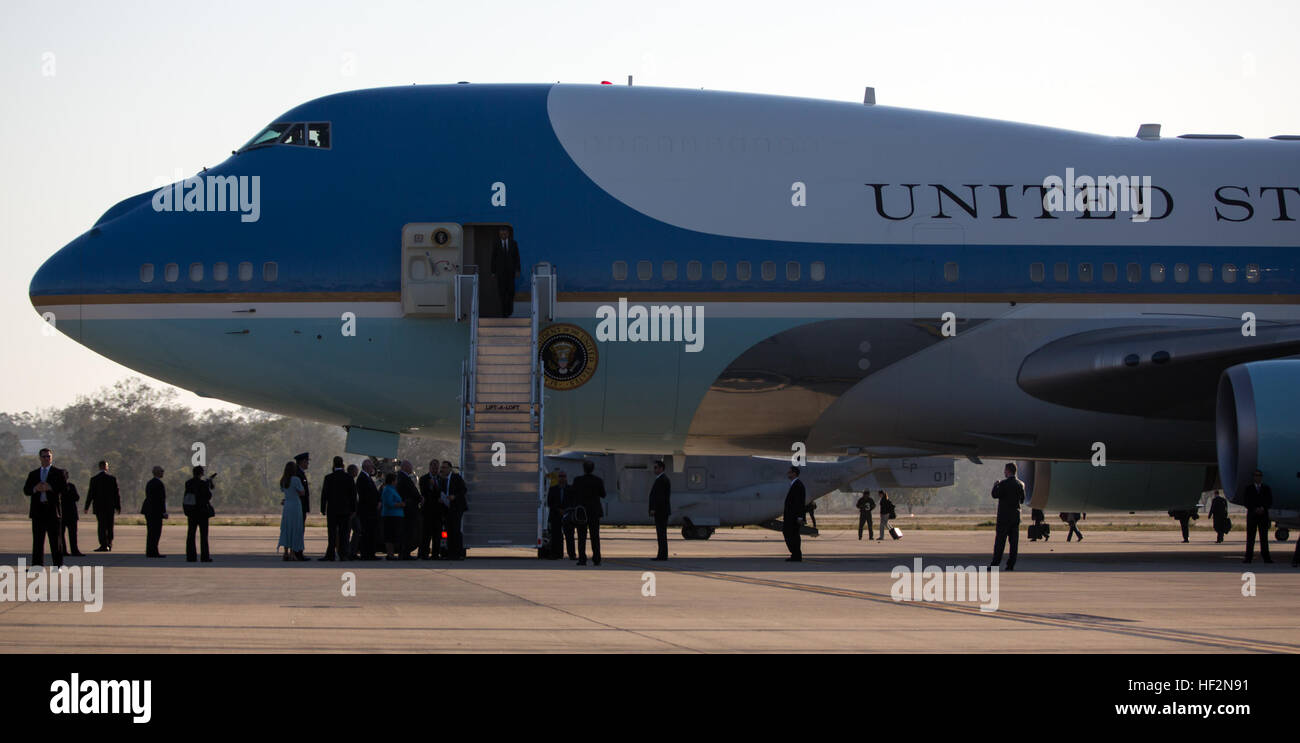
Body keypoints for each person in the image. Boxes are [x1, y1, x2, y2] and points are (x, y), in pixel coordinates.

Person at [22, 448, 66, 567]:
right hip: (38, 512)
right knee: (37, 541)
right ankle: (37, 566)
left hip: (52, 511)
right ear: (40, 458)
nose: (47, 458)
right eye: (44, 456)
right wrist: (35, 489)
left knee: (55, 541)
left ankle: (58, 565)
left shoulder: (58, 472)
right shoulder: (33, 474)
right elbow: (26, 490)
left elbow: (64, 489)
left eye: (49, 456)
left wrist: (50, 487)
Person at [320, 456, 356, 560]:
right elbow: (353, 495)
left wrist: (323, 508)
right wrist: (353, 509)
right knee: (344, 533)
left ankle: (330, 554)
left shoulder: (329, 478)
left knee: (332, 533)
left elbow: (324, 495)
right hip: (345, 510)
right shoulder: (348, 478)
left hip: (332, 510)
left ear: (333, 464)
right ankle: (343, 554)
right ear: (343, 465)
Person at [990, 463, 1025, 571]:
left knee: (1000, 542)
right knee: (1014, 543)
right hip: (1015, 517)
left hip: (1004, 517)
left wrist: (995, 485)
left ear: (1008, 471)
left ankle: (995, 564)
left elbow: (995, 495)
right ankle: (1011, 565)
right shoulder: (1020, 484)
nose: (1004, 472)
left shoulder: (1004, 484)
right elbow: (1022, 500)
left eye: (1005, 470)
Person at [573, 459, 607, 566]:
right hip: (594, 511)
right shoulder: (598, 480)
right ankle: (597, 558)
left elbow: (573, 493)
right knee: (595, 536)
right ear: (593, 469)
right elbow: (603, 494)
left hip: (582, 512)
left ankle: (582, 559)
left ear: (584, 469)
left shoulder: (578, 480)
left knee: (581, 536)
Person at [84, 460, 121, 552]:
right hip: (110, 506)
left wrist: (86, 506)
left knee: (101, 526)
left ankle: (103, 545)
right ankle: (109, 543)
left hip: (99, 507)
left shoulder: (94, 479)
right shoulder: (112, 479)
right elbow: (116, 494)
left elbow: (90, 494)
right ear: (106, 467)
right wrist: (118, 506)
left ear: (99, 467)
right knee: (109, 525)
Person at [183, 465, 215, 563]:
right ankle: (204, 557)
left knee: (191, 535)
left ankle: (191, 557)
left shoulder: (188, 483)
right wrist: (208, 483)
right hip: (202, 513)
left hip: (192, 512)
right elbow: (209, 496)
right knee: (204, 536)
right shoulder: (203, 484)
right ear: (201, 473)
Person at [490, 226, 520, 317]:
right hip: (500, 273)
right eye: (501, 233)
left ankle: (510, 310)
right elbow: (493, 258)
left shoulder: (513, 243)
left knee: (511, 292)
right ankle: (504, 313)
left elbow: (517, 258)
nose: (503, 235)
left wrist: (517, 270)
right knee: (502, 293)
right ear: (499, 234)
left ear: (508, 234)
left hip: (511, 273)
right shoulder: (496, 243)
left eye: (505, 233)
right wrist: (493, 271)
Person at [1243, 469, 1273, 564]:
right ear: (1253, 477)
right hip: (1252, 516)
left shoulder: (1266, 488)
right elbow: (1246, 501)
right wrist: (1255, 509)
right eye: (1256, 475)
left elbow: (1269, 501)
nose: (1258, 477)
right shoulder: (1249, 489)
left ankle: (1266, 557)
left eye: (1259, 475)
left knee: (1264, 538)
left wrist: (1263, 508)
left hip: (1263, 516)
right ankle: (1248, 557)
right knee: (1250, 538)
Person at [278, 461, 306, 561]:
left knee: (286, 528)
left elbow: (284, 491)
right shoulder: (296, 479)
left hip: (287, 505)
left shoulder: (283, 480)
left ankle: (285, 552)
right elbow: (302, 492)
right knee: (295, 528)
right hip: (295, 505)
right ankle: (292, 553)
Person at [418, 459, 446, 559]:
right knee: (426, 534)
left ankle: (435, 554)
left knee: (437, 535)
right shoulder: (424, 478)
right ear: (430, 467)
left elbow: (443, 492)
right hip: (428, 511)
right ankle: (423, 554)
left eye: (437, 467)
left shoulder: (441, 479)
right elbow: (424, 493)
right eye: (433, 467)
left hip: (438, 512)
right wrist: (432, 486)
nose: (435, 469)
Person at [355, 460, 382, 560]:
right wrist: (376, 503)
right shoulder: (362, 478)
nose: (373, 469)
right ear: (367, 467)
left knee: (371, 533)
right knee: (367, 533)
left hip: (370, 510)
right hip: (367, 511)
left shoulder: (367, 477)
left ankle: (370, 553)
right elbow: (366, 495)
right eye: (371, 467)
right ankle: (367, 554)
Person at [441, 461, 468, 559]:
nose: (442, 469)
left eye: (444, 467)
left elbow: (463, 490)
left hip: (457, 508)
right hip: (448, 508)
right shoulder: (443, 480)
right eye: (442, 467)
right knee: (449, 530)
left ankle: (458, 553)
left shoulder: (456, 477)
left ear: (450, 468)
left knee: (456, 530)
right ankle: (450, 552)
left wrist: (454, 496)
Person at [395, 461, 422, 559]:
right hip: (409, 509)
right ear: (405, 467)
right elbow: (411, 491)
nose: (412, 469)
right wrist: (420, 498)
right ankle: (405, 553)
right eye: (410, 467)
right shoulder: (403, 477)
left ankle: (404, 552)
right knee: (408, 531)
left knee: (407, 531)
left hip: (407, 508)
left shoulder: (401, 477)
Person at [141, 466, 168, 558]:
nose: (163, 472)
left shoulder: (150, 483)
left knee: (151, 532)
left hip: (149, 510)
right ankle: (153, 552)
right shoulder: (159, 484)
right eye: (161, 471)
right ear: (157, 472)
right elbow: (160, 500)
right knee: (156, 532)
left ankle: (150, 551)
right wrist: (163, 512)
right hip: (155, 512)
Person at [648, 459, 671, 560]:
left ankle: (662, 555)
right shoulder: (661, 479)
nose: (654, 469)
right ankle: (662, 555)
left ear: (661, 468)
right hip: (662, 510)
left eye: (656, 467)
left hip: (661, 511)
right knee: (661, 534)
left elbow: (659, 497)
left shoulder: (662, 480)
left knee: (661, 534)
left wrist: (654, 508)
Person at [783, 466, 806, 562]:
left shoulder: (798, 485)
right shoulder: (795, 484)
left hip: (794, 517)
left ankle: (796, 555)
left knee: (792, 534)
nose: (788, 473)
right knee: (791, 534)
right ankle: (795, 554)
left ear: (794, 473)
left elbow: (799, 502)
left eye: (790, 472)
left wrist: (800, 517)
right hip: (792, 516)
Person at [545, 470, 569, 560]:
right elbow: (549, 502)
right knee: (555, 535)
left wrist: (565, 510)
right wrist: (558, 509)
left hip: (567, 514)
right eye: (560, 476)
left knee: (568, 535)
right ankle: (555, 553)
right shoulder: (553, 489)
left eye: (563, 476)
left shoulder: (570, 489)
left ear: (566, 478)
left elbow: (572, 501)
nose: (562, 478)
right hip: (555, 515)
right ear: (558, 478)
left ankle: (571, 553)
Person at [380, 473, 404, 561]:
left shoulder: (393, 489)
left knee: (394, 535)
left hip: (396, 515)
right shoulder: (387, 489)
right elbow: (389, 503)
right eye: (396, 480)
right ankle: (390, 554)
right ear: (392, 481)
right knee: (390, 535)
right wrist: (400, 504)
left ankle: (392, 553)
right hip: (390, 516)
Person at [60, 478, 84, 557]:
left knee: (73, 534)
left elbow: (77, 497)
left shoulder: (71, 486)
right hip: (61, 514)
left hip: (71, 514)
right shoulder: (57, 487)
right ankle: (63, 550)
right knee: (61, 534)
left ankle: (74, 550)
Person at [293, 452, 311, 517]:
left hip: (301, 505)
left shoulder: (300, 473)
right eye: (307, 461)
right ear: (302, 461)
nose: (308, 463)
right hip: (300, 505)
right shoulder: (298, 474)